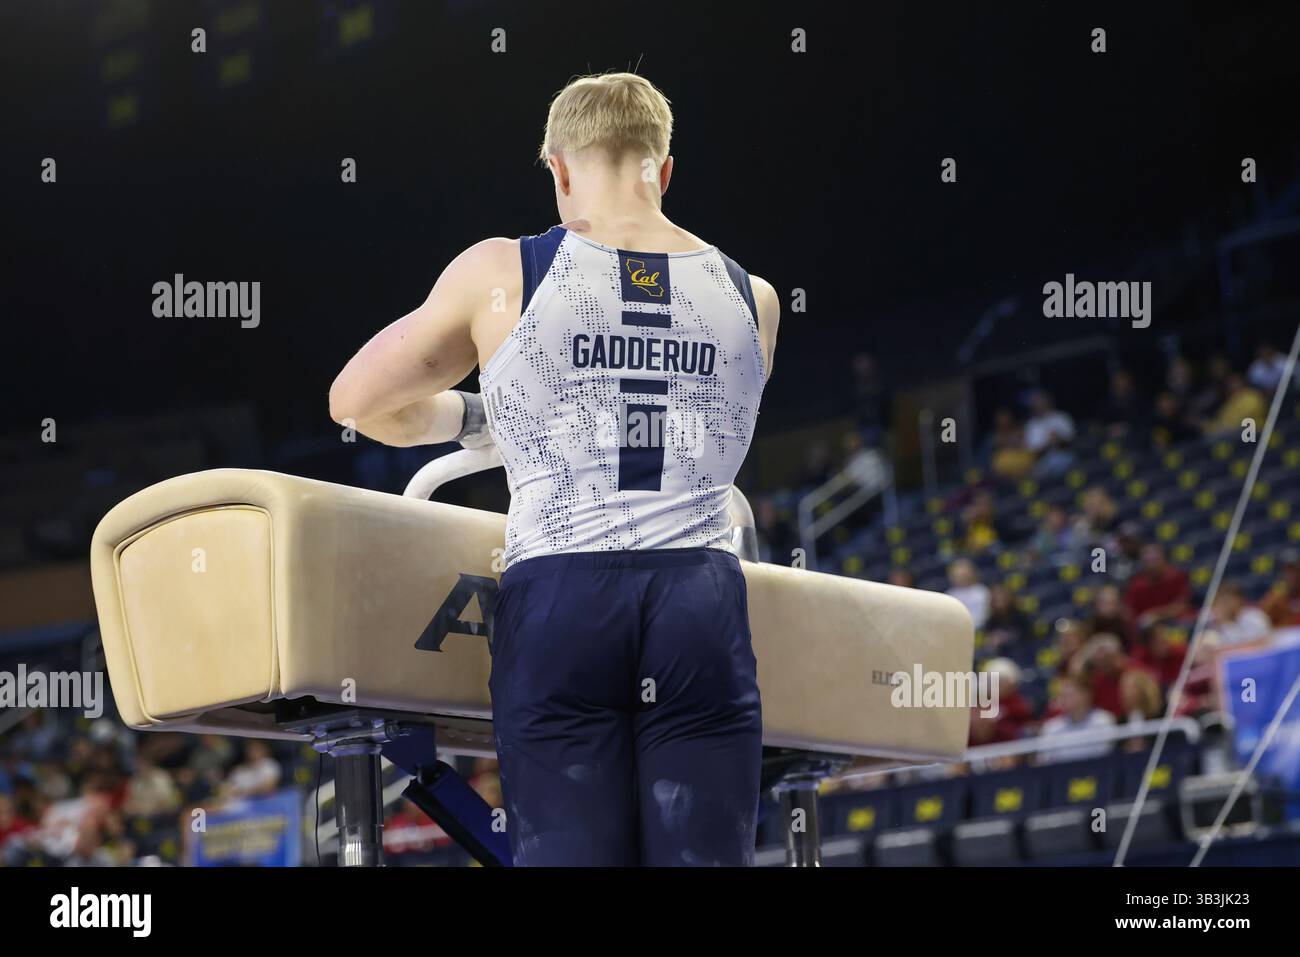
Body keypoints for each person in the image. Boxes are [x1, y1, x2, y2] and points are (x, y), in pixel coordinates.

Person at [329, 73, 779, 866]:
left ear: (558, 168)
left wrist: (477, 415)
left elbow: (356, 401)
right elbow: (673, 419)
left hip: (563, 597)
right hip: (700, 601)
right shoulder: (756, 298)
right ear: (663, 171)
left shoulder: (503, 273)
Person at [1038, 676, 1116, 764]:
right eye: (1061, 695)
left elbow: (1106, 756)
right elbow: (1044, 764)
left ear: (1085, 695)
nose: (1063, 699)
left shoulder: (1103, 720)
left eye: (1068, 695)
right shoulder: (1051, 728)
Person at [946, 558, 991, 630]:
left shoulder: (981, 591)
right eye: (958, 576)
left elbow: (984, 616)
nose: (961, 578)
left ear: (972, 574)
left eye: (964, 575)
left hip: (979, 629)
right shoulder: (950, 594)